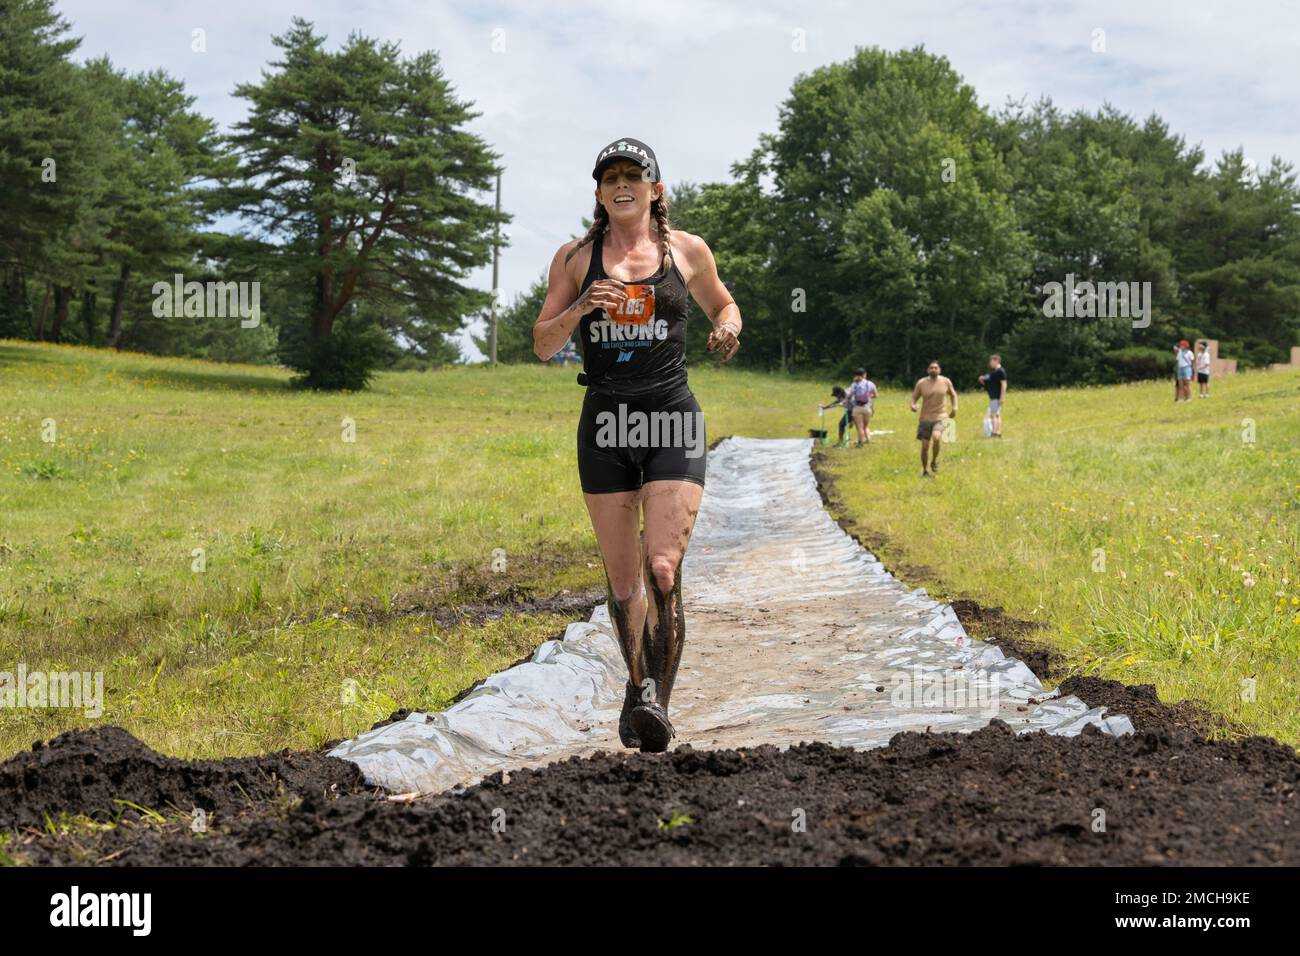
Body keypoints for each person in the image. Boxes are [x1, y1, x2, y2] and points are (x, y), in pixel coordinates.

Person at [533, 137, 741, 752]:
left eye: (634, 175)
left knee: (663, 569)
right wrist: (578, 310)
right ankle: (637, 683)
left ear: (656, 189)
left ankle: (656, 703)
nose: (622, 184)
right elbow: (543, 344)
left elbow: (723, 304)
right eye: (610, 177)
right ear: (598, 193)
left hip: (670, 415)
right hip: (605, 422)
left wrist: (727, 327)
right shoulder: (574, 259)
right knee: (625, 583)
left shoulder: (687, 250)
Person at [909, 360, 957, 477]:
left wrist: (955, 408)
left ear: (939, 370)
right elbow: (914, 397)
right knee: (925, 446)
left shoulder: (945, 381)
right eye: (931, 368)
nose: (933, 369)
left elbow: (953, 395)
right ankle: (925, 470)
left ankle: (934, 460)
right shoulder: (921, 383)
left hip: (941, 416)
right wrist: (913, 405)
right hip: (925, 418)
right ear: (928, 370)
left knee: (936, 438)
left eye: (935, 368)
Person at [977, 354, 1007, 437]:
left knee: (994, 415)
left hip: (996, 397)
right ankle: (998, 432)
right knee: (997, 414)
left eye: (991, 361)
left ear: (996, 361)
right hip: (994, 396)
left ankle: (994, 432)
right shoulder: (995, 372)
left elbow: (1004, 384)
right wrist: (982, 379)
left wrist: (1002, 397)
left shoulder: (1001, 371)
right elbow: (988, 381)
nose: (990, 363)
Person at [847, 368, 878, 446]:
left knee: (860, 427)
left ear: (856, 375)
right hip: (868, 408)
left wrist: (845, 401)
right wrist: (869, 396)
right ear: (865, 374)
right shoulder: (870, 383)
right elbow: (876, 395)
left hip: (857, 408)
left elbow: (850, 395)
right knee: (865, 426)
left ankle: (860, 443)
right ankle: (868, 440)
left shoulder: (854, 384)